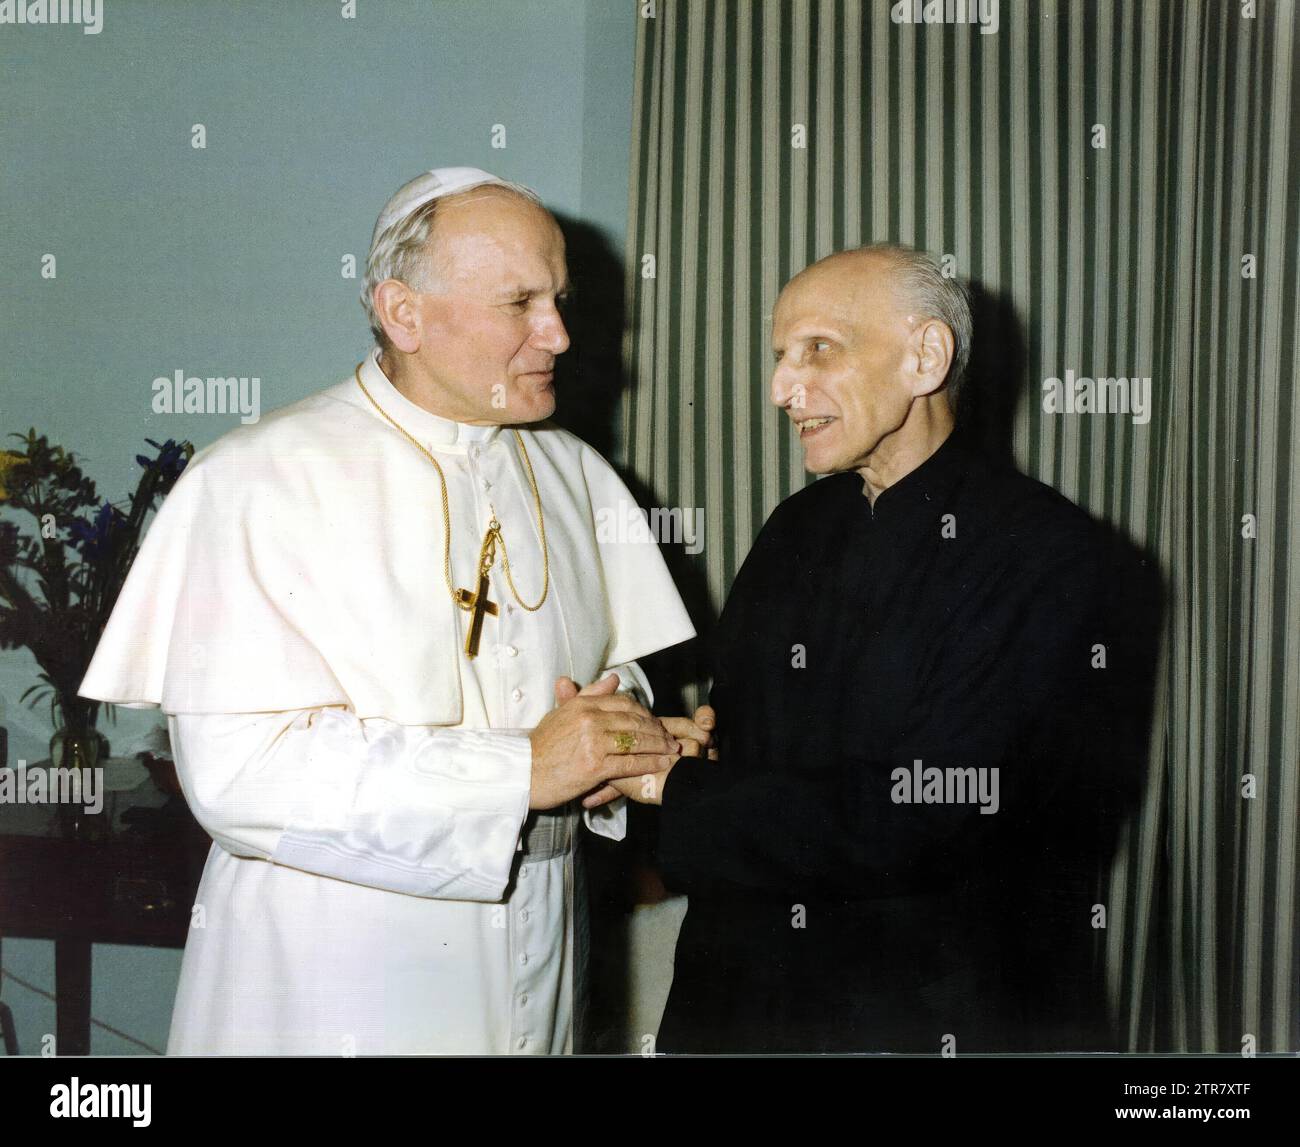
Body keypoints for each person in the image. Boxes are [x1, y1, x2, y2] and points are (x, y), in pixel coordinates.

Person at [79, 167, 696, 1055]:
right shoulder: (258, 478)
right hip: (339, 961)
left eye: (557, 299)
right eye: (519, 302)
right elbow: (239, 773)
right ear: (403, 312)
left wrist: (619, 731)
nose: (558, 333)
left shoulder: (577, 474)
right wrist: (520, 769)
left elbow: (608, 664)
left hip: (548, 935)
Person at [602, 244, 1150, 1054]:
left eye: (818, 350)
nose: (782, 389)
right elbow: (759, 746)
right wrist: (687, 746)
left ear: (926, 357)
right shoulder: (795, 527)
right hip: (731, 1006)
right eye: (780, 357)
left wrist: (670, 786)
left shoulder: (1051, 553)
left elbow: (923, 815)